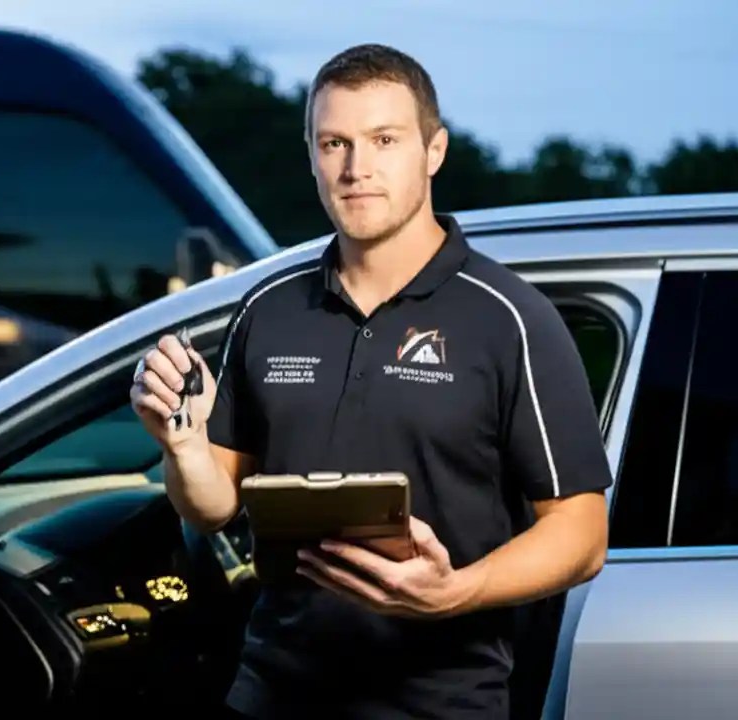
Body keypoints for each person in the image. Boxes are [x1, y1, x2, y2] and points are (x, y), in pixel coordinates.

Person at [129, 42, 613, 719]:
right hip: (270, 695)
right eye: (334, 143)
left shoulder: (509, 319)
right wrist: (180, 446)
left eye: (384, 140)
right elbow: (211, 504)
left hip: (437, 703)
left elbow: (583, 534)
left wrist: (457, 590)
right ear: (312, 156)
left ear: (433, 151)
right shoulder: (269, 309)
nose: (356, 169)